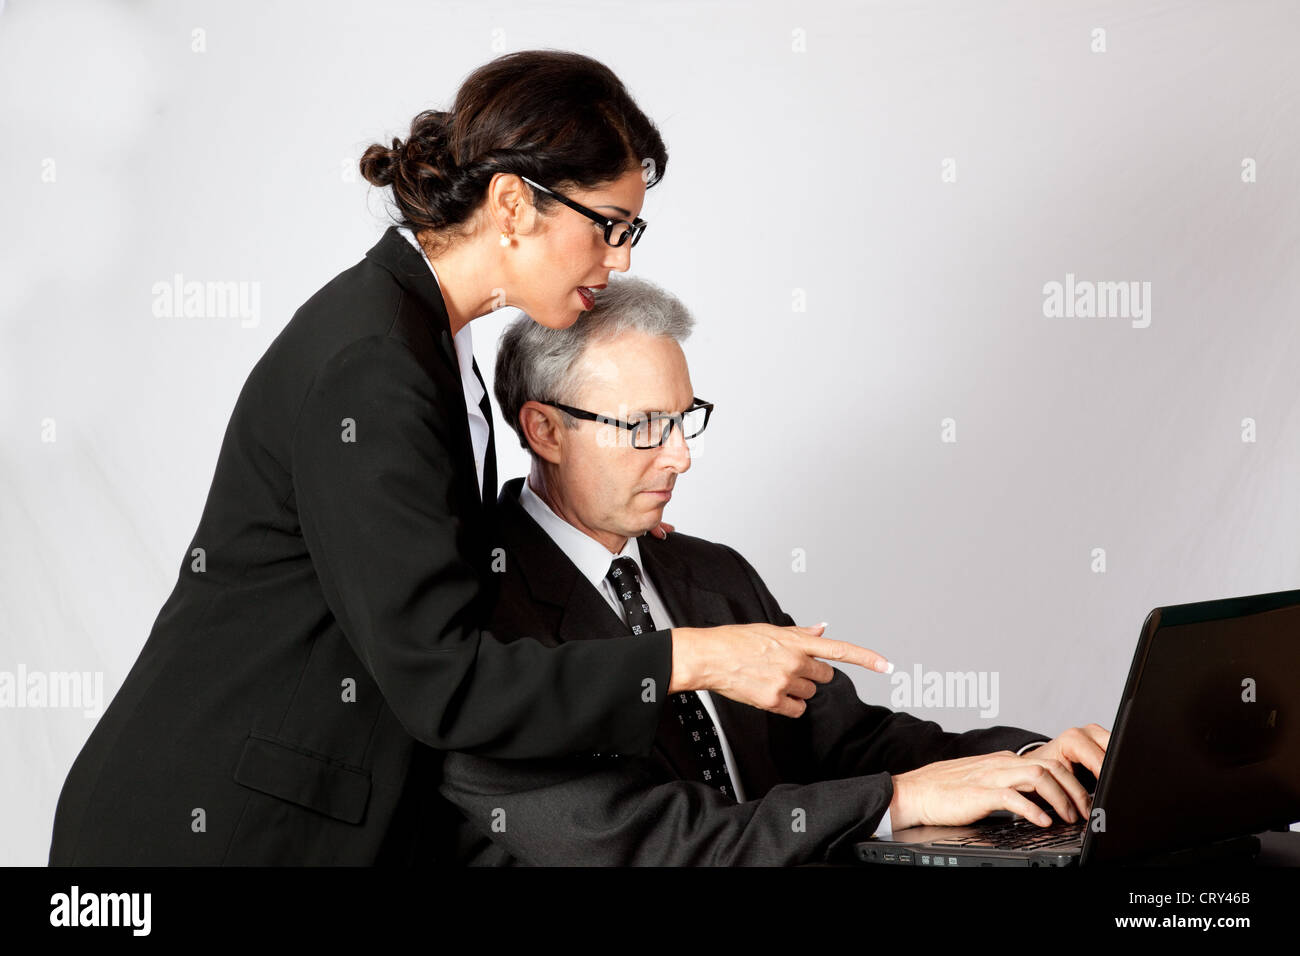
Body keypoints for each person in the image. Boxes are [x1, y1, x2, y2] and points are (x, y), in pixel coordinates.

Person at [47, 51, 887, 866]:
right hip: (215, 827)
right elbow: (440, 680)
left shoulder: (428, 342)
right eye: (610, 226)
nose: (623, 257)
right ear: (515, 204)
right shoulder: (374, 363)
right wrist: (692, 657)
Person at [435, 276, 1110, 865]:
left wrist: (1033, 764)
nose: (680, 458)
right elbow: (643, 841)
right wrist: (897, 800)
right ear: (545, 429)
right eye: (644, 427)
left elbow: (853, 744)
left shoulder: (712, 573)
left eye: (683, 420)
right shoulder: (478, 611)